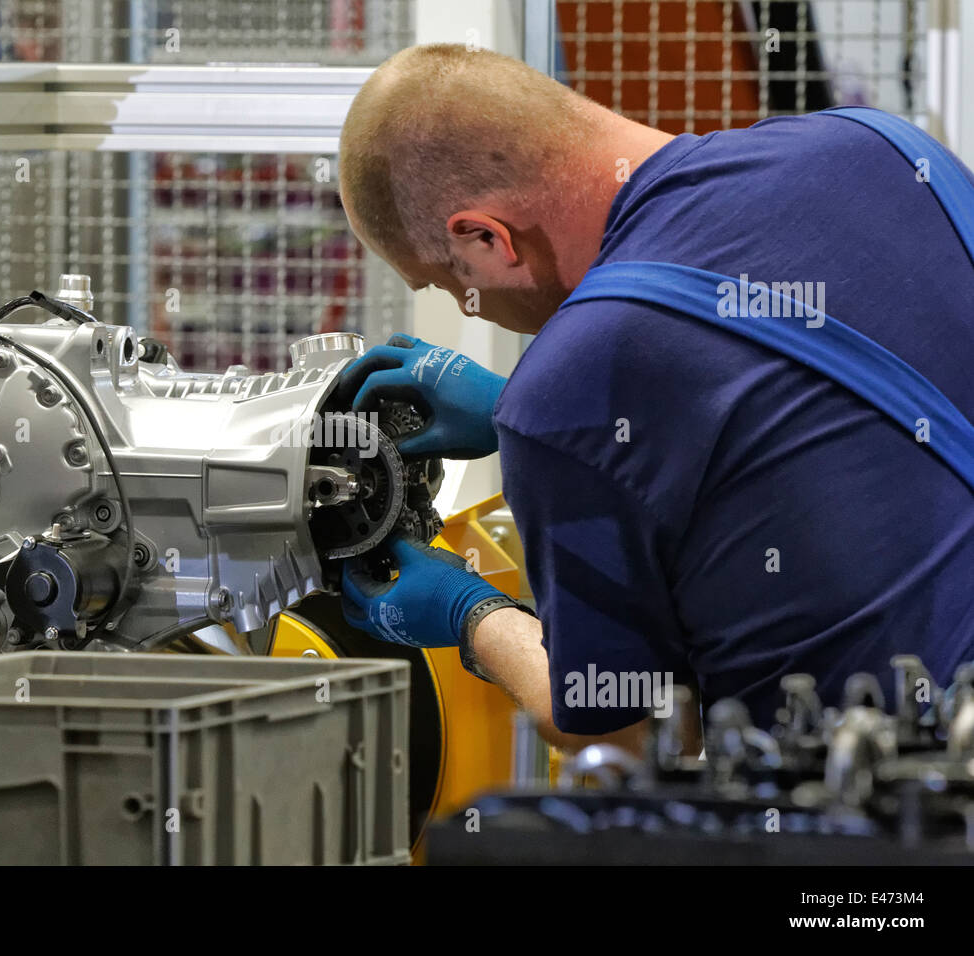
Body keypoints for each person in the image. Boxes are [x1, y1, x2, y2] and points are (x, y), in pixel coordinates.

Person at [334, 43, 974, 752]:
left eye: (449, 284)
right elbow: (811, 416)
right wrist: (550, 418)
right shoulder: (884, 144)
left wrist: (471, 614)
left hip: (906, 812)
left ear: (485, 237)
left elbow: (636, 732)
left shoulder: (571, 385)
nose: (468, 307)